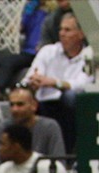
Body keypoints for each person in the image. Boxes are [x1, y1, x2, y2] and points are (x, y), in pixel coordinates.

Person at [25, 10, 94, 150]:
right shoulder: (47, 51)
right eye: (61, 29)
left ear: (81, 34)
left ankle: (70, 150)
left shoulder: (90, 55)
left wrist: (54, 83)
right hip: (44, 103)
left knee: (70, 97)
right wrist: (33, 82)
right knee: (22, 96)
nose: (62, 33)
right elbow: (31, 76)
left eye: (67, 30)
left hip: (73, 106)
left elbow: (83, 84)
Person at [0, 85, 69, 163]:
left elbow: (59, 162)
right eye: (12, 105)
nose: (14, 109)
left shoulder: (50, 127)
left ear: (34, 105)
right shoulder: (4, 126)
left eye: (20, 104)